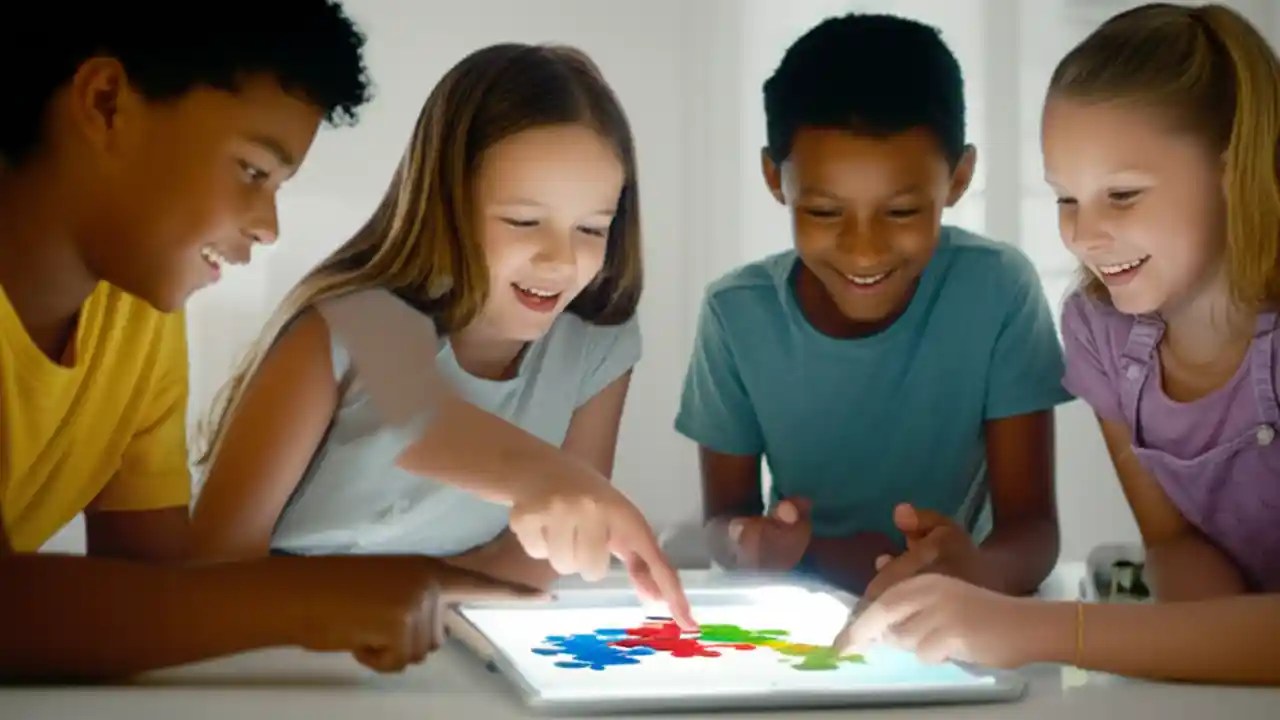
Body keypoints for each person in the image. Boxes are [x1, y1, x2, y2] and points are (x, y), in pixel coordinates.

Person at [1, 0, 538, 680]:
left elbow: (159, 591)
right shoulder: (360, 315)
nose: (268, 226)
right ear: (106, 103)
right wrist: (306, 602)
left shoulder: (137, 319)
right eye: (254, 171)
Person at [835, 3, 1280, 686]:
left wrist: (1032, 629)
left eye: (1122, 195)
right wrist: (1206, 653)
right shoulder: (1101, 335)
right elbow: (1176, 546)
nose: (1082, 234)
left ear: (1231, 169)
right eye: (1065, 199)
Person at [187, 43, 694, 629]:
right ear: (447, 204)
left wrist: (421, 597)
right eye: (524, 222)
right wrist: (553, 479)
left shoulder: (598, 342)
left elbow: (530, 568)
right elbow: (217, 564)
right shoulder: (363, 316)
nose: (559, 259)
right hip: (271, 639)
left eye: (591, 228)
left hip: (442, 637)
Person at [676, 13, 1070, 599]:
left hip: (961, 606)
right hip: (799, 610)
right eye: (825, 213)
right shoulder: (736, 315)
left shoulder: (998, 290)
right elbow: (724, 523)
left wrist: (973, 575)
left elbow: (1032, 530)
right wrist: (754, 543)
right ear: (774, 178)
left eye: (903, 212)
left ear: (958, 178)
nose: (864, 250)